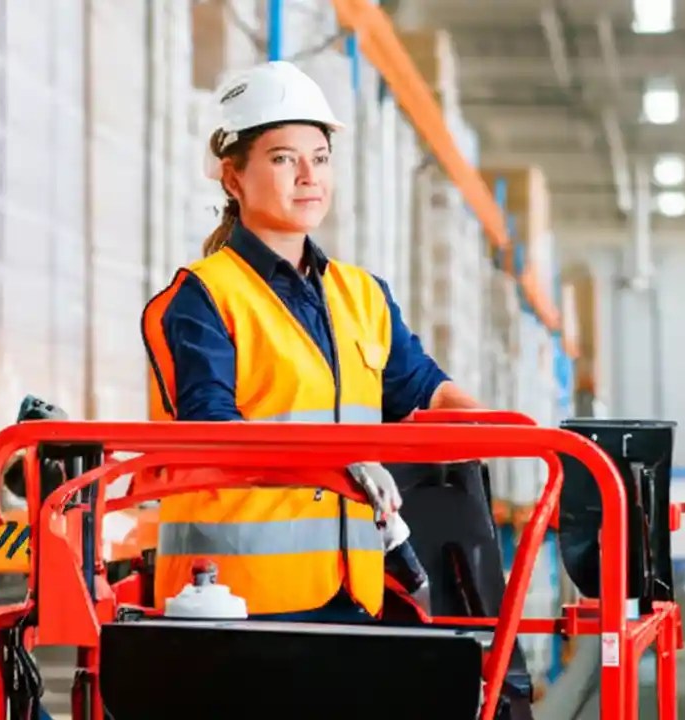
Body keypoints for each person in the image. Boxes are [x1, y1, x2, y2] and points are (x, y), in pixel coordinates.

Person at [139, 60, 482, 623]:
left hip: (351, 591)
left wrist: (512, 433)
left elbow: (426, 392)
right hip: (238, 601)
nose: (308, 176)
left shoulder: (363, 295)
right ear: (232, 178)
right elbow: (215, 435)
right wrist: (338, 465)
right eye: (283, 159)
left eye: (320, 159)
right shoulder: (202, 297)